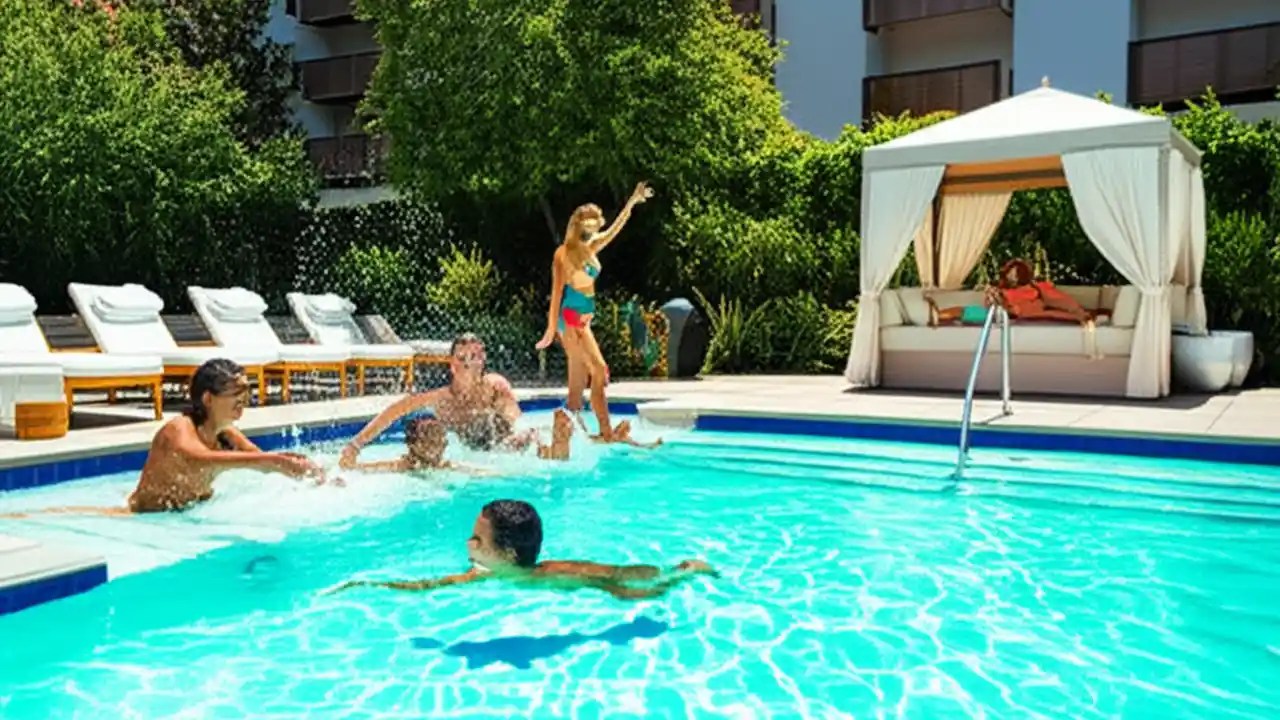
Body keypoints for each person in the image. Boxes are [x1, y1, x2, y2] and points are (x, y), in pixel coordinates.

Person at [1, 359, 328, 518]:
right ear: (208, 399)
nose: (244, 401)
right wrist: (272, 461)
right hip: (140, 517)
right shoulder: (179, 429)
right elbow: (200, 459)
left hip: (184, 514)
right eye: (236, 395)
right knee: (48, 517)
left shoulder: (226, 434)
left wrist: (309, 472)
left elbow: (265, 463)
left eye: (247, 394)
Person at [322, 499, 718, 601]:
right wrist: (368, 584)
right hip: (575, 576)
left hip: (594, 580)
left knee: (638, 591)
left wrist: (672, 576)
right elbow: (431, 585)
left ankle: (685, 568)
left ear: (508, 554)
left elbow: (611, 577)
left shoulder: (556, 574)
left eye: (477, 540)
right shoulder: (490, 570)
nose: (467, 543)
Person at [535, 182, 654, 442]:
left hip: (583, 321)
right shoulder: (563, 254)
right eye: (588, 221)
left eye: (596, 221)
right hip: (570, 319)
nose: (594, 226)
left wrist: (632, 201)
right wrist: (550, 329)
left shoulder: (591, 248)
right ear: (577, 224)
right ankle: (606, 432)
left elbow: (615, 229)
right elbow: (556, 295)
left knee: (578, 383)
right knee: (599, 370)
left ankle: (569, 434)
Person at [339, 334, 534, 469]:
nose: (467, 362)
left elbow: (518, 422)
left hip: (502, 449)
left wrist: (522, 439)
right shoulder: (440, 397)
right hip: (469, 451)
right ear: (452, 365)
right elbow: (394, 411)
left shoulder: (495, 388)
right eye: (461, 357)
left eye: (474, 357)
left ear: (483, 361)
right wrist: (356, 444)